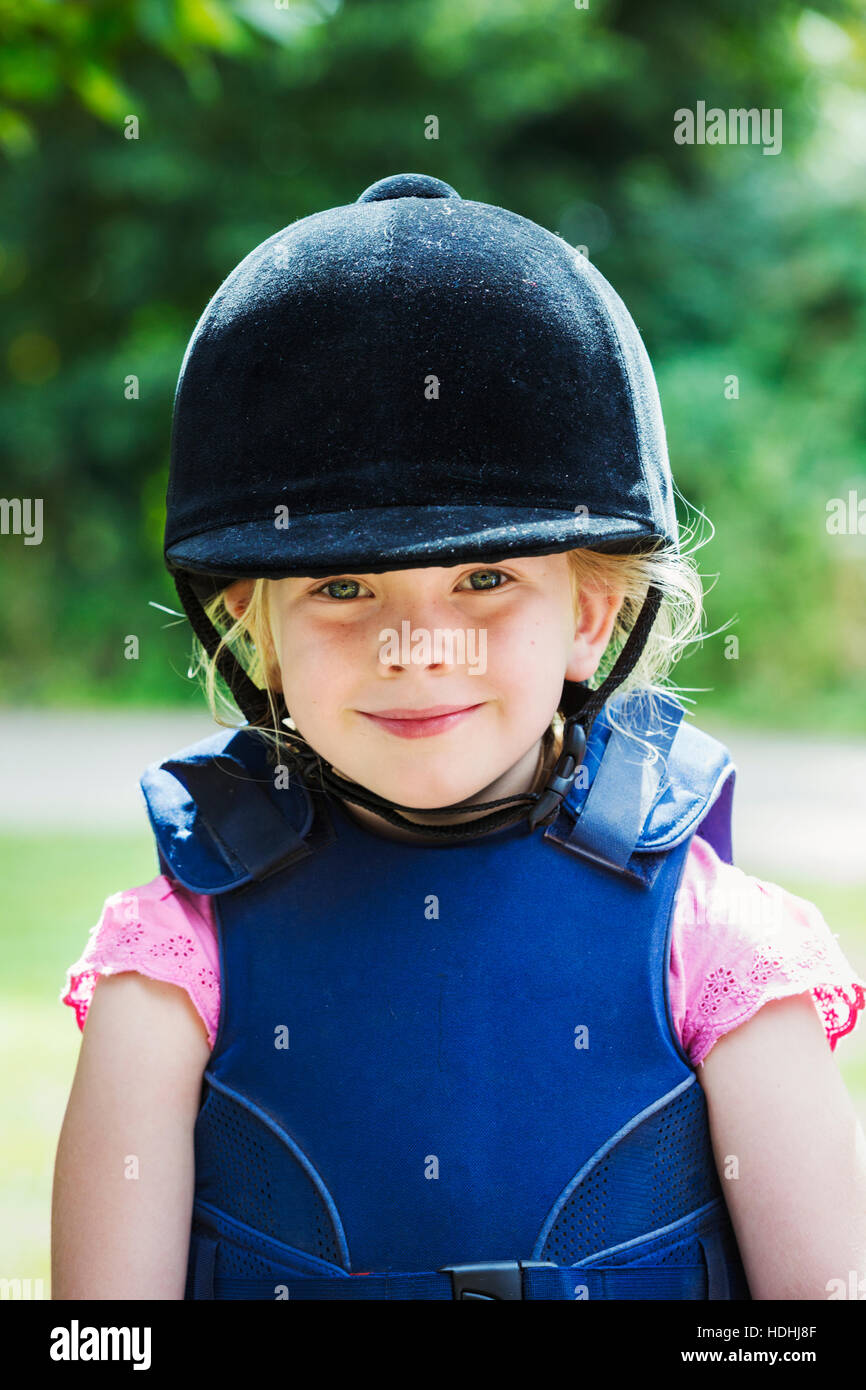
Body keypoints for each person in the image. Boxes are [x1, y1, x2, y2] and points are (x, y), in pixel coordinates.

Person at [53, 173, 866, 1301]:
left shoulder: (720, 949)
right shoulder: (171, 964)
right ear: (257, 628)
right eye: (341, 586)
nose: (416, 648)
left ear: (589, 616)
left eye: (484, 578)